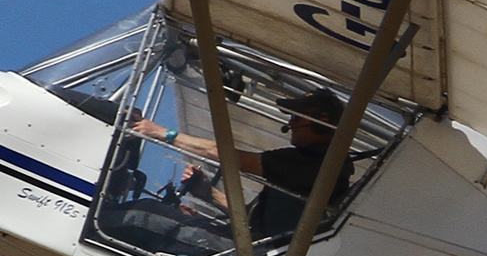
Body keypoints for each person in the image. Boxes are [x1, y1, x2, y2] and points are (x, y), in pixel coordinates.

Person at [130, 88, 353, 240]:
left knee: (140, 212)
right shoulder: (314, 165)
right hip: (254, 245)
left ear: (321, 122)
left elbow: (228, 156)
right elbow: (251, 218)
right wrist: (208, 193)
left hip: (253, 251)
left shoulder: (319, 162)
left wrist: (161, 132)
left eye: (296, 118)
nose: (290, 124)